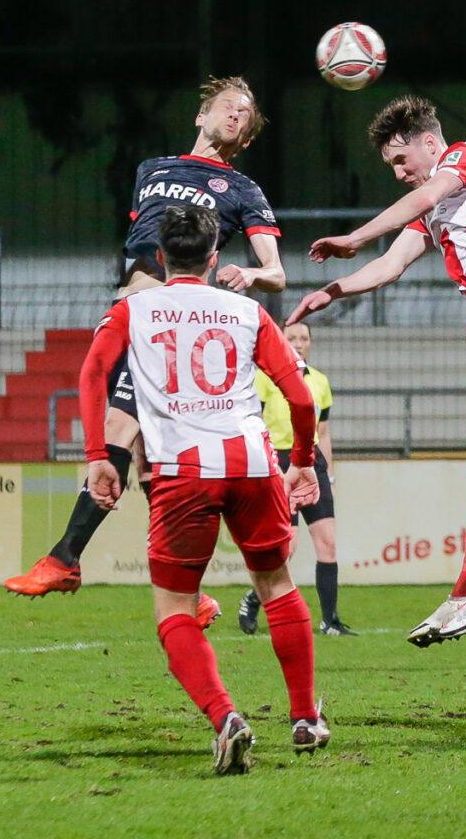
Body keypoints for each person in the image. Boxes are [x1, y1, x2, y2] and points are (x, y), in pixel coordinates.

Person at [6, 76, 285, 631]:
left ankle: (64, 558)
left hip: (167, 328)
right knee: (147, 462)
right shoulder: (151, 171)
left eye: (246, 115)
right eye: (229, 107)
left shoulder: (244, 190)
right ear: (201, 116)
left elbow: (275, 272)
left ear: (248, 136)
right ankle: (194, 593)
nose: (237, 116)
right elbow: (139, 252)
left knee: (116, 427)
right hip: (130, 314)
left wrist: (250, 273)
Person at [288, 95, 466, 647]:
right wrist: (329, 292)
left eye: (399, 160)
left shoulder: (464, 158)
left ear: (429, 143)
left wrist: (354, 235)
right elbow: (390, 266)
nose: (398, 173)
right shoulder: (437, 209)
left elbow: (426, 194)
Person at [78, 206, 326, 775]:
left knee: (175, 608)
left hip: (181, 469)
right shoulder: (247, 310)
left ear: (160, 257)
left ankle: (226, 718)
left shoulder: (131, 309)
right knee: (276, 585)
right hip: (251, 462)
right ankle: (305, 718)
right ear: (216, 259)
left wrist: (99, 455)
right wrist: (304, 462)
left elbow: (93, 375)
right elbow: (302, 399)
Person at [238, 321, 355, 637]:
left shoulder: (319, 381)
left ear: (311, 343)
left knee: (327, 543)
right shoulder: (265, 379)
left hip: (312, 460)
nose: (298, 343)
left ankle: (329, 621)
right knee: (286, 548)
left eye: (304, 338)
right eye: (291, 338)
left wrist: (328, 470)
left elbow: (324, 430)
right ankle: (253, 599)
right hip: (279, 460)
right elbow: (252, 423)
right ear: (281, 342)